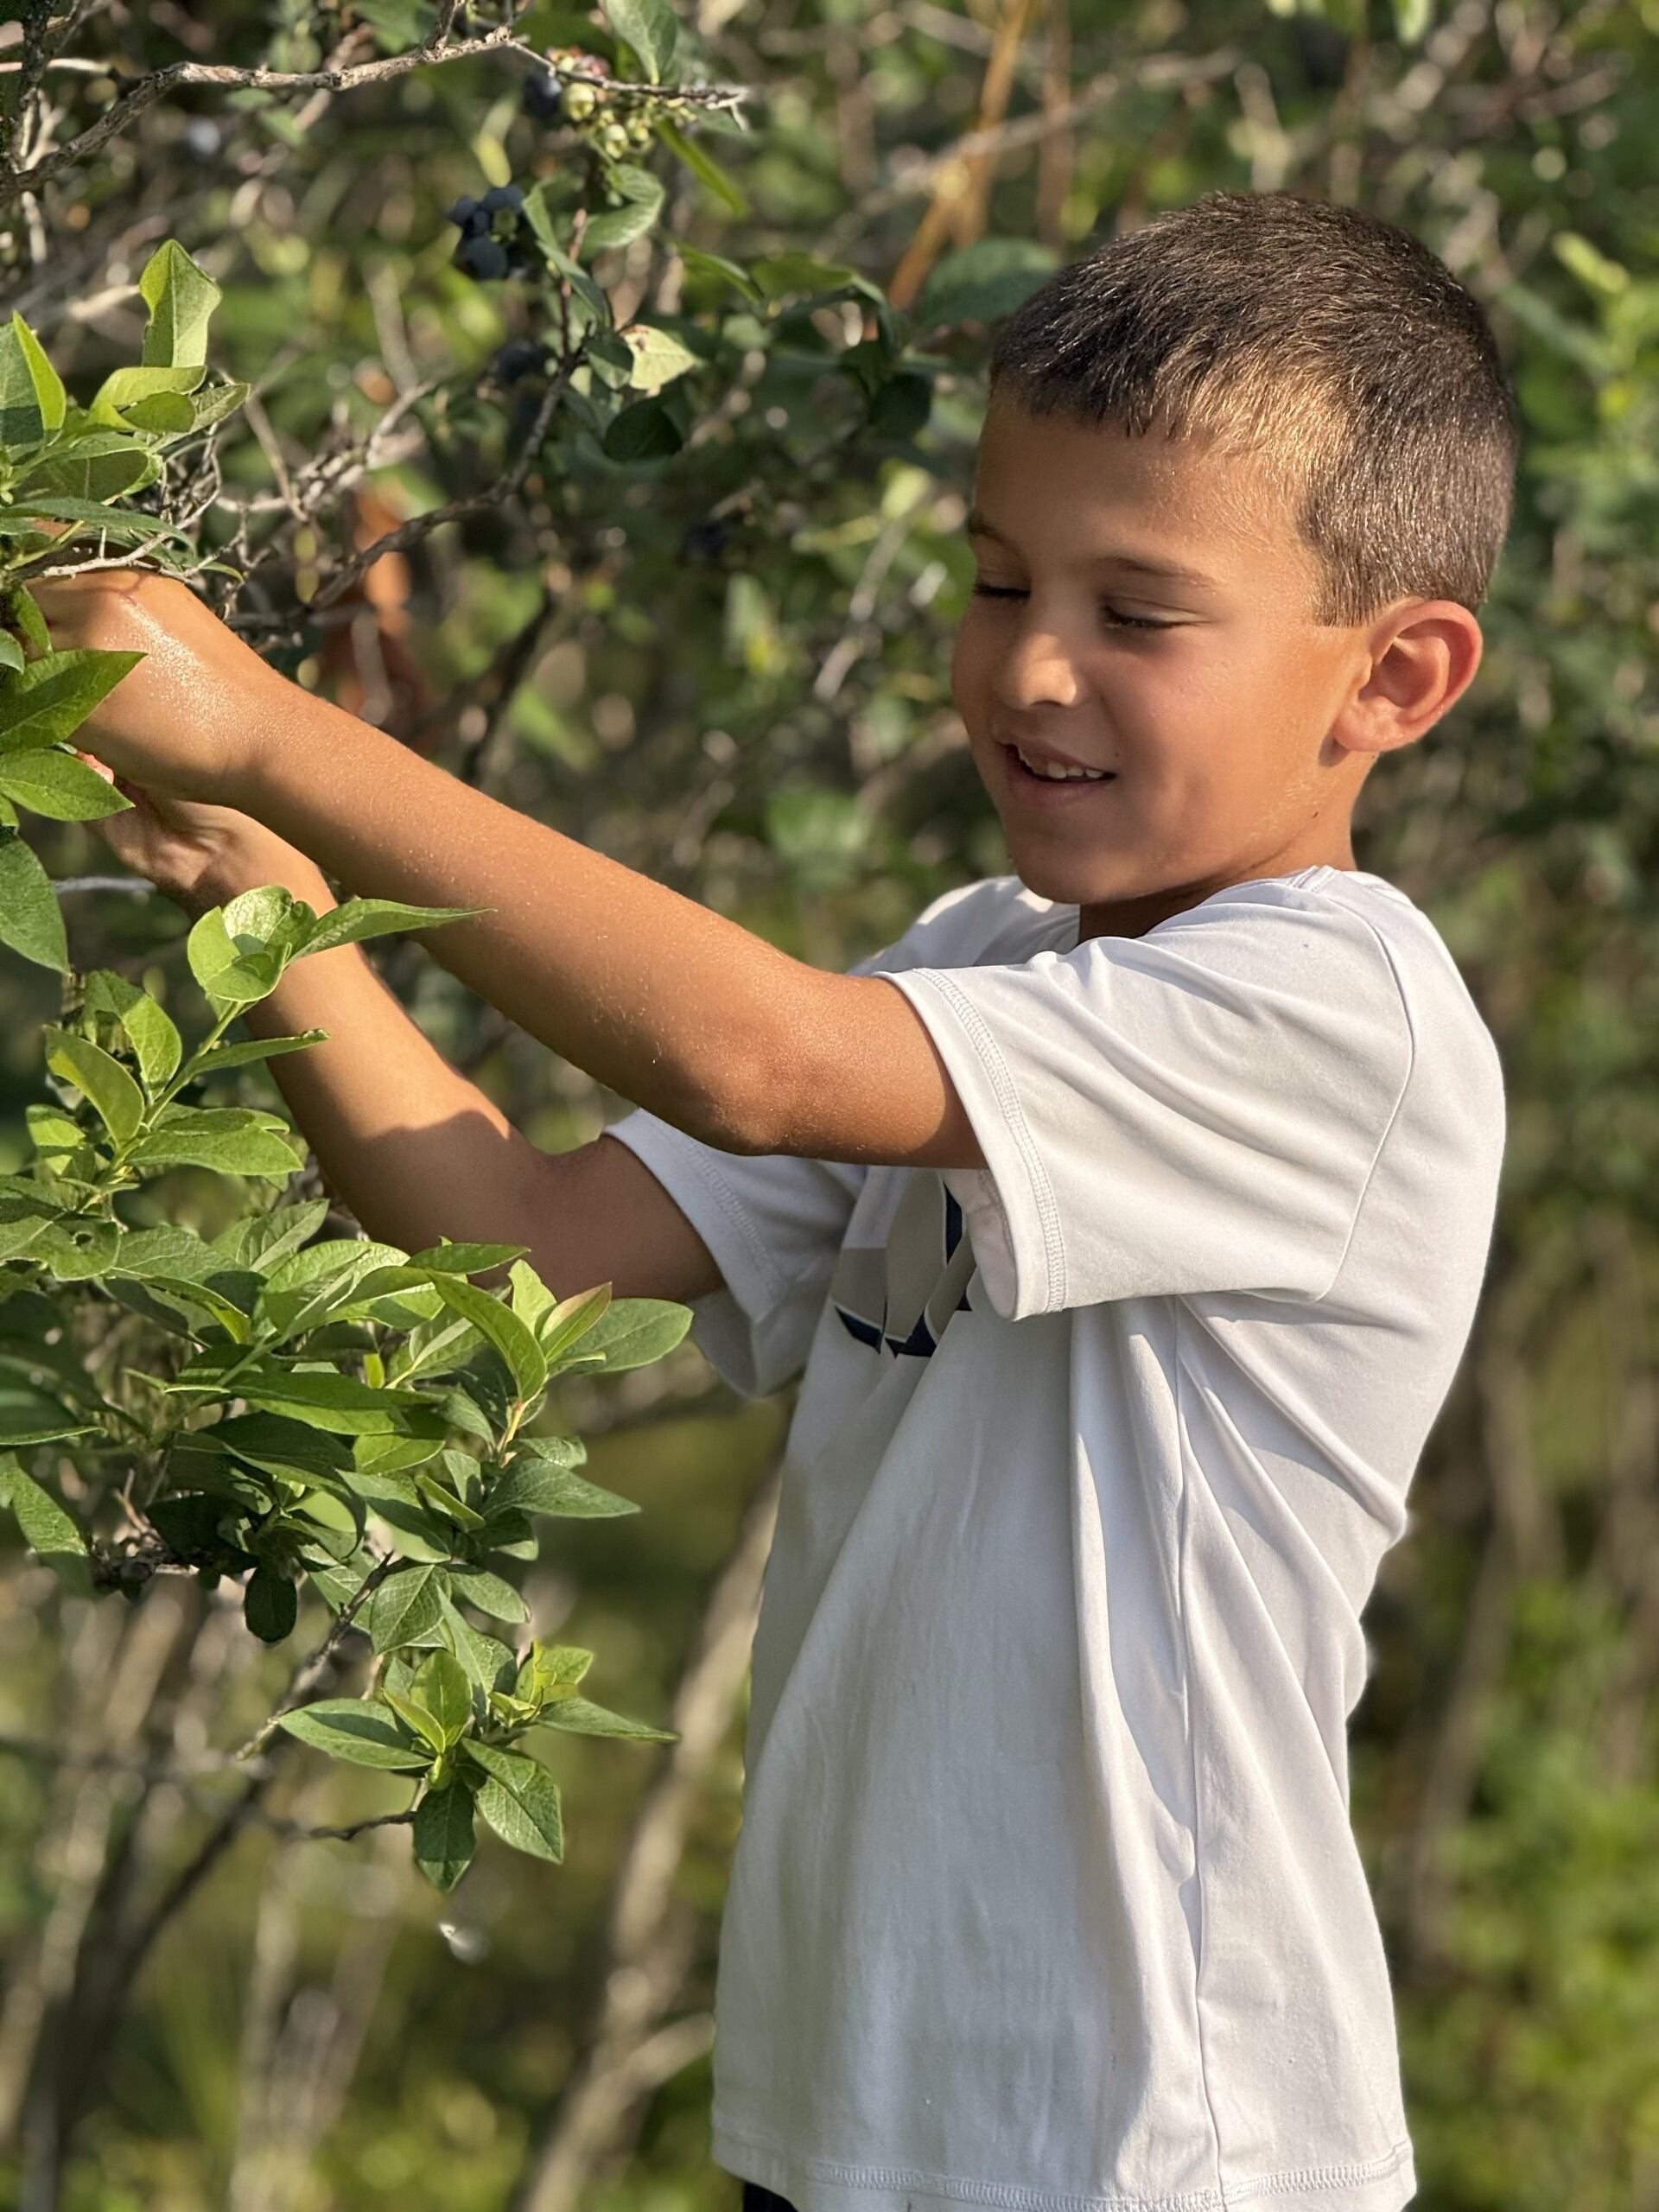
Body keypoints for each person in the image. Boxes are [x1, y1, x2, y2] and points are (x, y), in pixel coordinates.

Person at [34, 187, 1516, 2212]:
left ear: (1396, 677)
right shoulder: (983, 961)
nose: (1033, 664)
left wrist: (269, 732)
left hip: (1147, 2150)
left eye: (1139, 613)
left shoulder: (1339, 1015)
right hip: (849, 2127)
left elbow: (757, 1054)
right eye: (997, 579)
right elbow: (528, 1243)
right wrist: (260, 893)